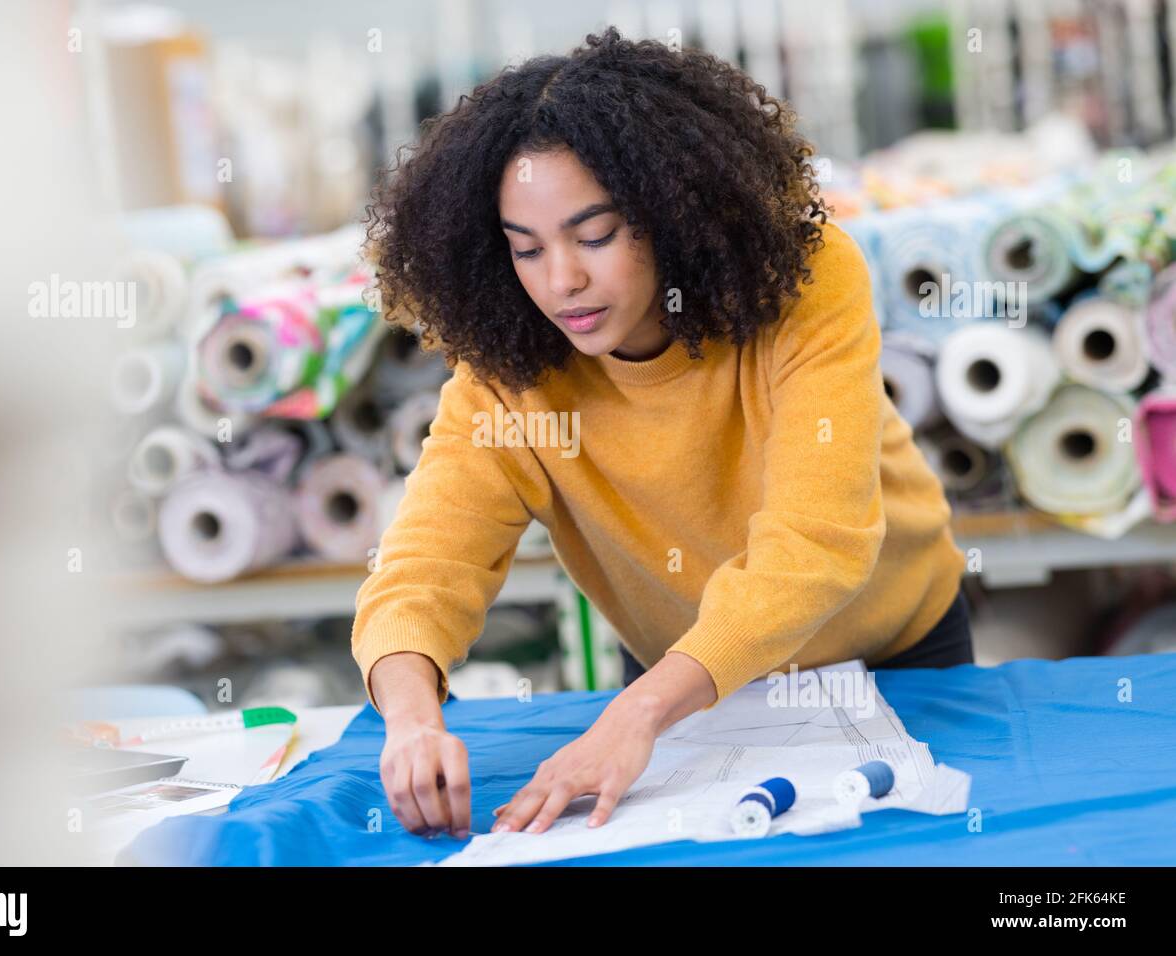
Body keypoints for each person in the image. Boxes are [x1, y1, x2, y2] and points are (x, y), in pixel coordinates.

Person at [352, 27, 971, 842]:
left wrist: (636, 714)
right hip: (682, 683)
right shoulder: (507, 373)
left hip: (894, 657)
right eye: (526, 250)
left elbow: (817, 543)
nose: (563, 281)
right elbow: (425, 566)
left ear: (675, 212)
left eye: (595, 236)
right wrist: (410, 721)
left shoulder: (809, 284)